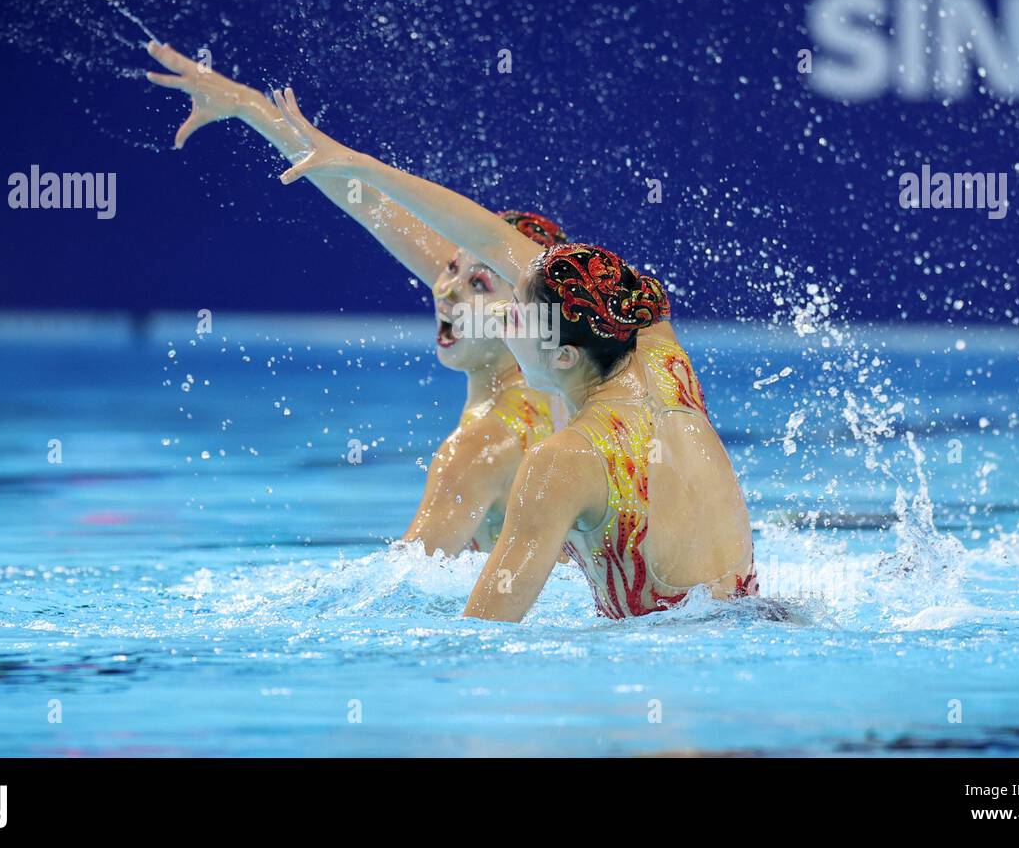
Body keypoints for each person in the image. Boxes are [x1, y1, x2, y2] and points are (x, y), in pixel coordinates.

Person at [270, 85, 756, 622]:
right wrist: (359, 165)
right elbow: (488, 237)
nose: (501, 320)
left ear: (565, 356)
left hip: (669, 671)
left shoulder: (560, 460)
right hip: (766, 629)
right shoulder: (661, 356)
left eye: (516, 315)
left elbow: (482, 635)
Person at [143, 41, 567, 556]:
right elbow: (371, 206)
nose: (447, 289)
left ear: (522, 314)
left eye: (478, 284)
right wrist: (247, 105)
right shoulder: (562, 391)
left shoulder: (478, 446)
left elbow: (405, 595)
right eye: (450, 267)